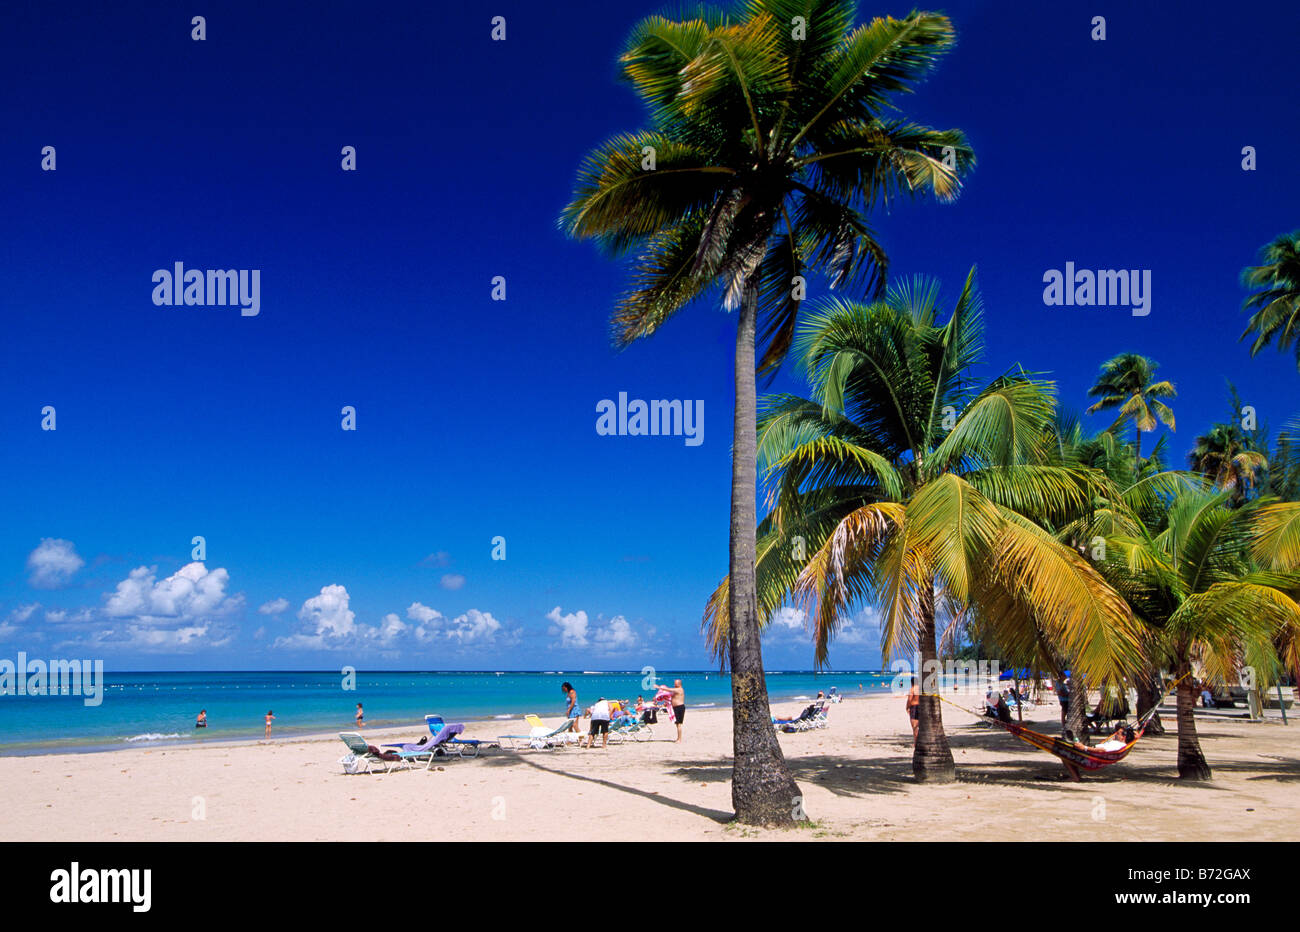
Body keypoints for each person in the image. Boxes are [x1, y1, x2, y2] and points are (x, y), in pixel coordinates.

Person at [905, 677, 920, 741]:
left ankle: (916, 743)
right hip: (921, 707)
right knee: (920, 726)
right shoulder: (921, 689)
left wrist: (907, 707)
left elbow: (909, 700)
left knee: (914, 727)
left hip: (914, 707)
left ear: (911, 683)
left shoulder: (912, 689)